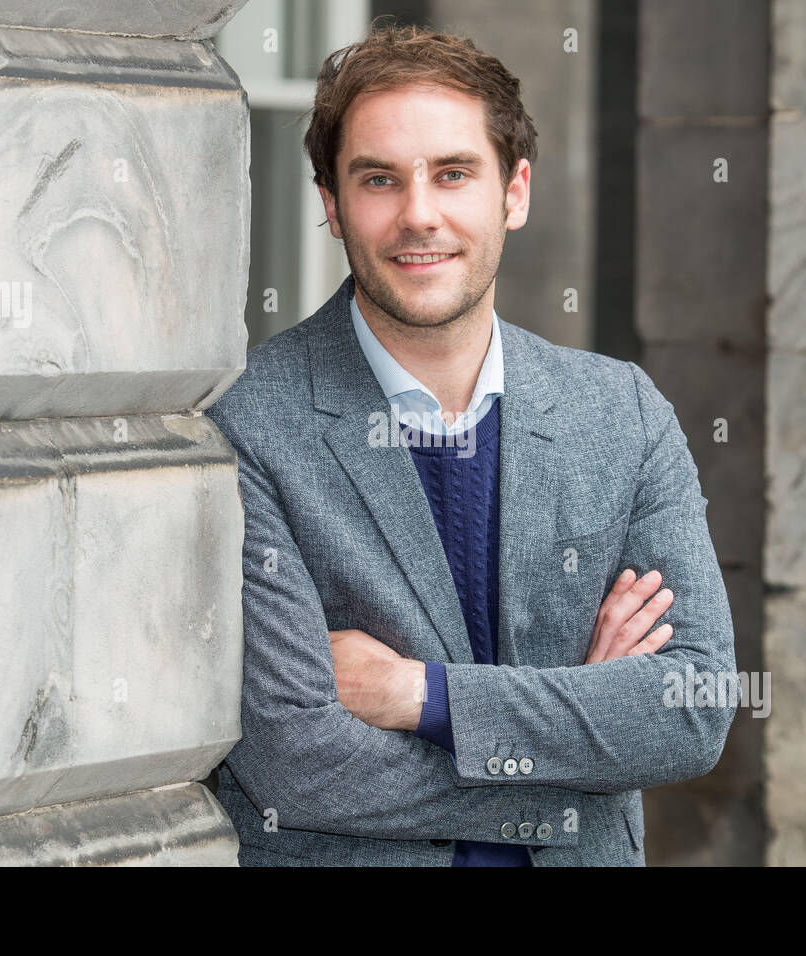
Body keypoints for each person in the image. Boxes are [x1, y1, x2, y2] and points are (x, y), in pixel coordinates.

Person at [205, 20, 737, 866]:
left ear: (514, 193)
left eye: (453, 174)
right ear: (332, 207)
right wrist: (582, 736)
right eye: (379, 179)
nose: (420, 215)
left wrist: (421, 695)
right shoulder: (251, 424)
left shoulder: (622, 414)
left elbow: (695, 707)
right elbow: (296, 766)